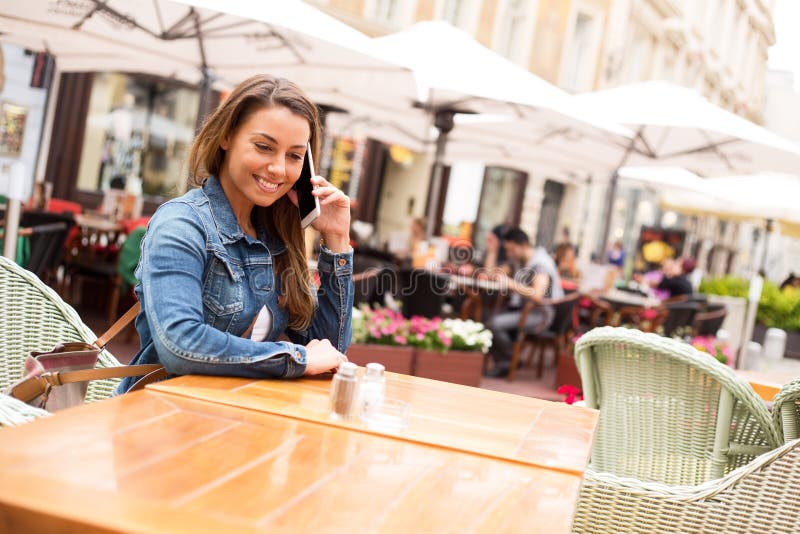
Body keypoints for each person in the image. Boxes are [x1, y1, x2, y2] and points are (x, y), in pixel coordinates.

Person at [117, 75, 353, 393]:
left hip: (236, 414)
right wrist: (296, 358)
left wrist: (337, 241)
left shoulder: (276, 237)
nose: (279, 169)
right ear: (227, 136)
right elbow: (180, 344)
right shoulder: (182, 225)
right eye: (264, 147)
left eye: (294, 156)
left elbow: (329, 347)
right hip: (161, 419)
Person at [484, 228, 564, 378]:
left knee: (493, 323)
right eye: (507, 250)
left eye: (512, 249)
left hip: (541, 314)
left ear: (524, 245)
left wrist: (510, 283)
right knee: (485, 317)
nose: (509, 254)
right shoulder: (518, 259)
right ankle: (507, 361)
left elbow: (538, 294)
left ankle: (509, 361)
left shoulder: (541, 263)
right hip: (522, 310)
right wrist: (492, 251)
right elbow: (491, 275)